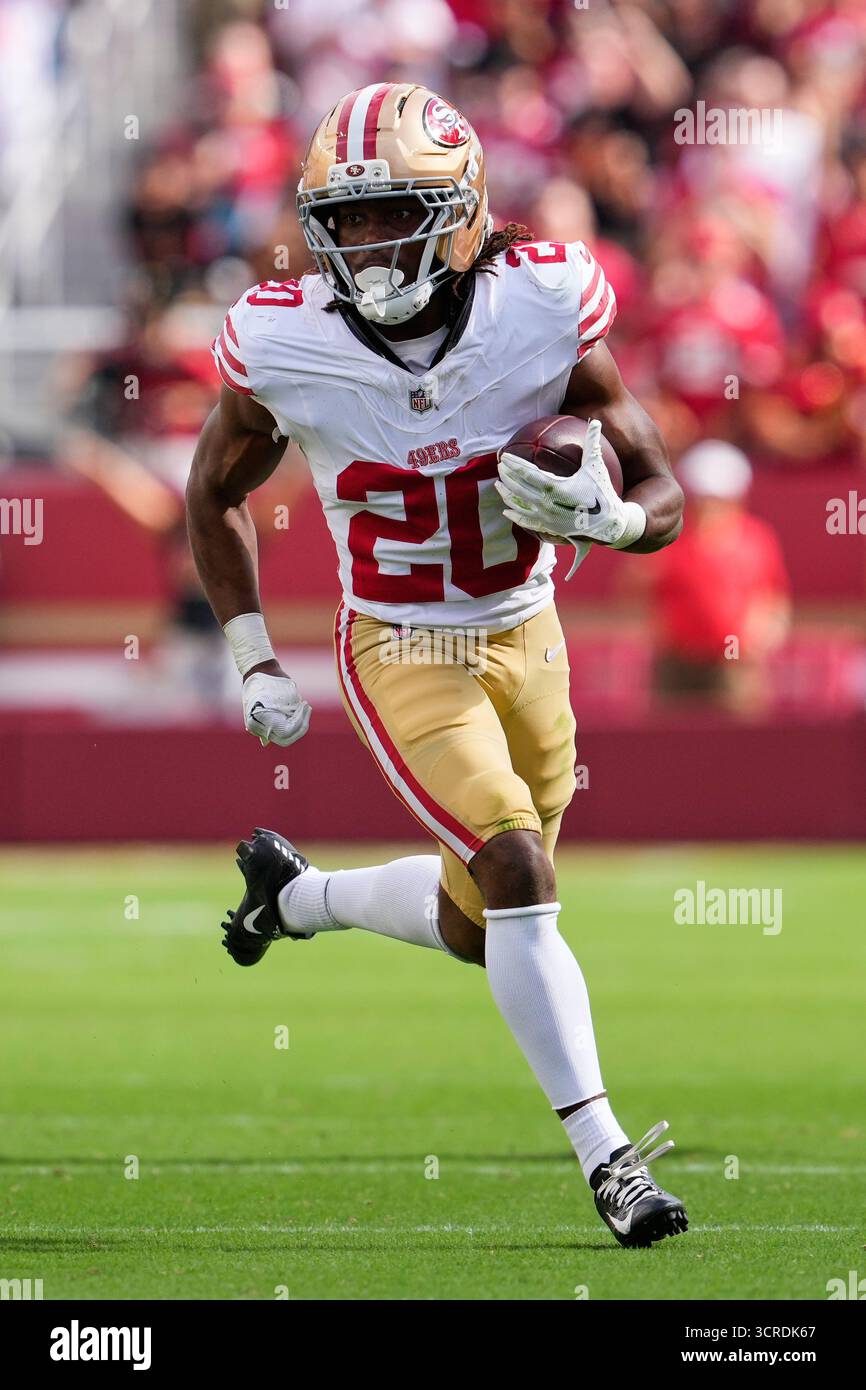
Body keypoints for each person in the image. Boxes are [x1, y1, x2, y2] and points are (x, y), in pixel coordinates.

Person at [186, 82, 686, 1248]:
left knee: (482, 922)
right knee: (514, 865)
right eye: (343, 219)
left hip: (529, 631)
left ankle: (295, 896)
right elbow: (214, 491)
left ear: (458, 211)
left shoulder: (544, 302)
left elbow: (659, 480)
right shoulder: (282, 335)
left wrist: (613, 524)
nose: (363, 243)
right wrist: (253, 656)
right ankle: (608, 1157)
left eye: (390, 212)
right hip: (400, 644)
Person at [650, 441, 791, 715]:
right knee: (669, 742)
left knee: (738, 744)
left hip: (734, 665)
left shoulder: (757, 539)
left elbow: (773, 598)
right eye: (702, 498)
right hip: (677, 663)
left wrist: (764, 636)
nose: (708, 507)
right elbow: (640, 594)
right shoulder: (671, 540)